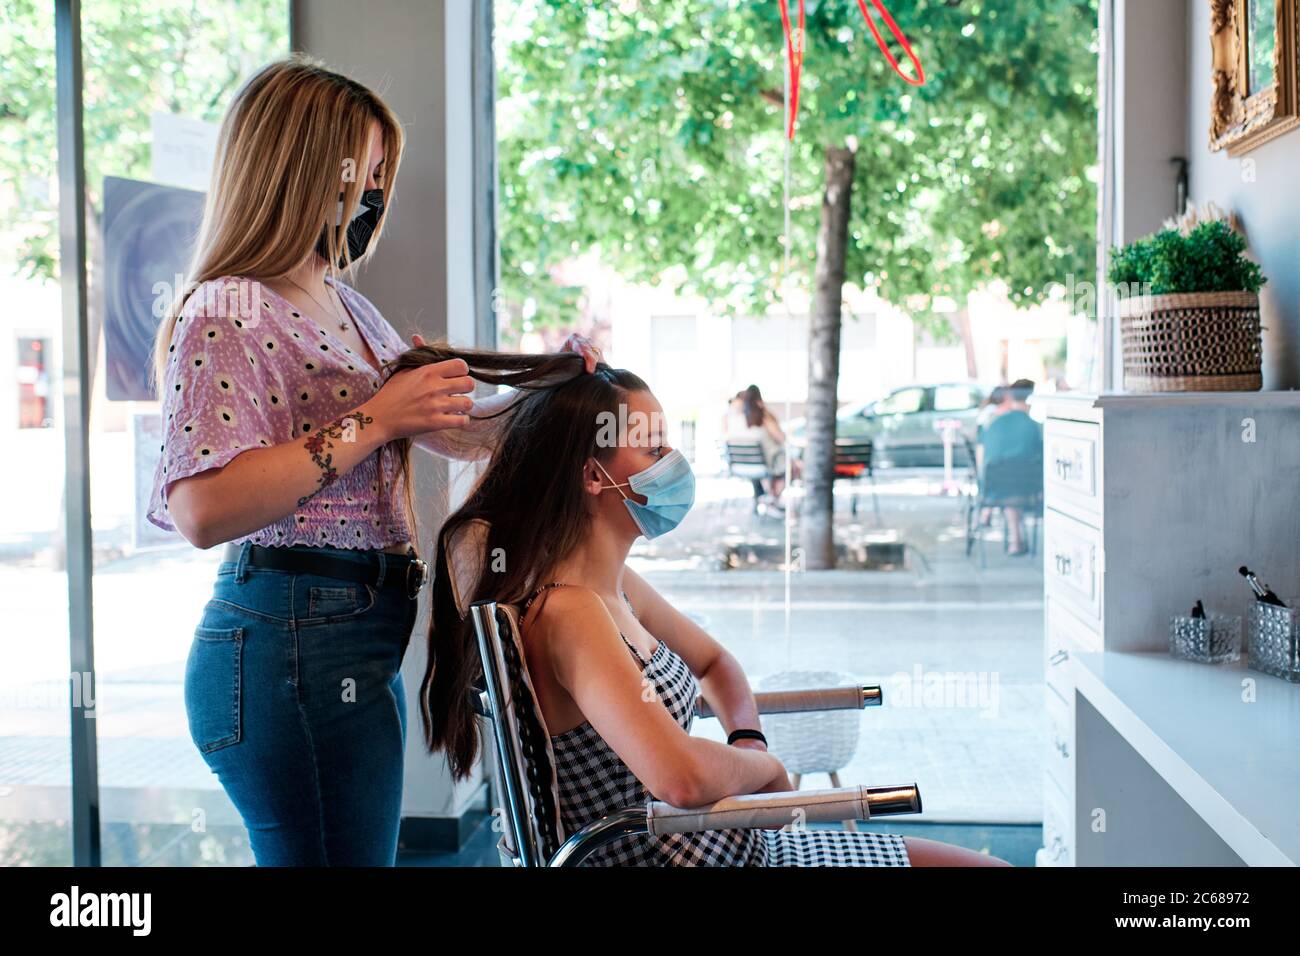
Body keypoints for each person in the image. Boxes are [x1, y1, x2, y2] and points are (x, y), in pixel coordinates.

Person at [145, 55, 597, 866]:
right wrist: (375, 417)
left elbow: (449, 428)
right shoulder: (227, 309)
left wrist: (555, 398)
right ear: (301, 165)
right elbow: (204, 509)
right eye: (364, 171)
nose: (374, 193)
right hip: (290, 642)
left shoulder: (340, 299)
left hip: (350, 635)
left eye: (382, 173)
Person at [406, 344, 1010, 867]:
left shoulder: (616, 589)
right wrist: (763, 772)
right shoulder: (569, 613)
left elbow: (716, 664)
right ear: (594, 476)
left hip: (734, 846)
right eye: (654, 450)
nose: (676, 466)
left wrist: (746, 736)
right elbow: (681, 777)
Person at [976, 380, 1043, 556]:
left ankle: (1015, 540)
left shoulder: (994, 424)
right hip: (1027, 489)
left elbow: (981, 457)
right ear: (1031, 400)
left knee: (1008, 479)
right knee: (1016, 478)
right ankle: (1016, 540)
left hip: (994, 487)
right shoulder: (1035, 427)